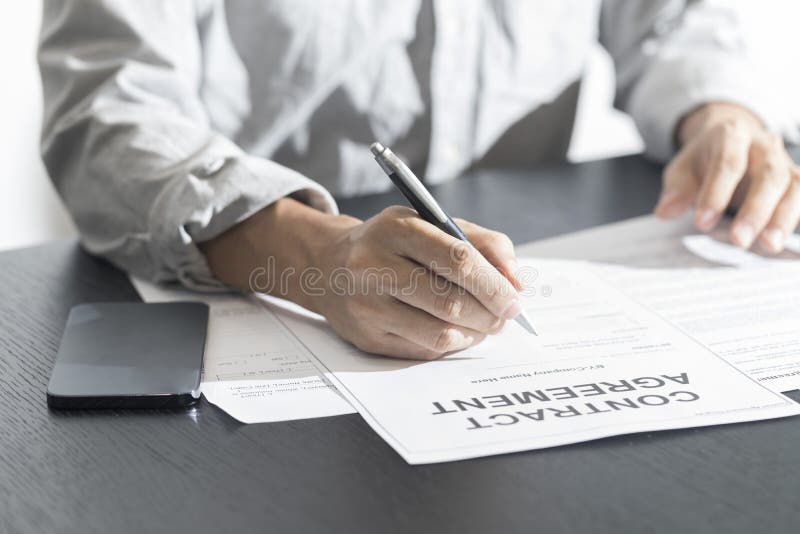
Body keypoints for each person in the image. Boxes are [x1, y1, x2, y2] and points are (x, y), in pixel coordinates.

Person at [38, 1, 799, 360]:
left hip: (525, 252)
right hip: (252, 298)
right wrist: (319, 259)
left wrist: (719, 108)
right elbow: (105, 112)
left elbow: (671, 17)